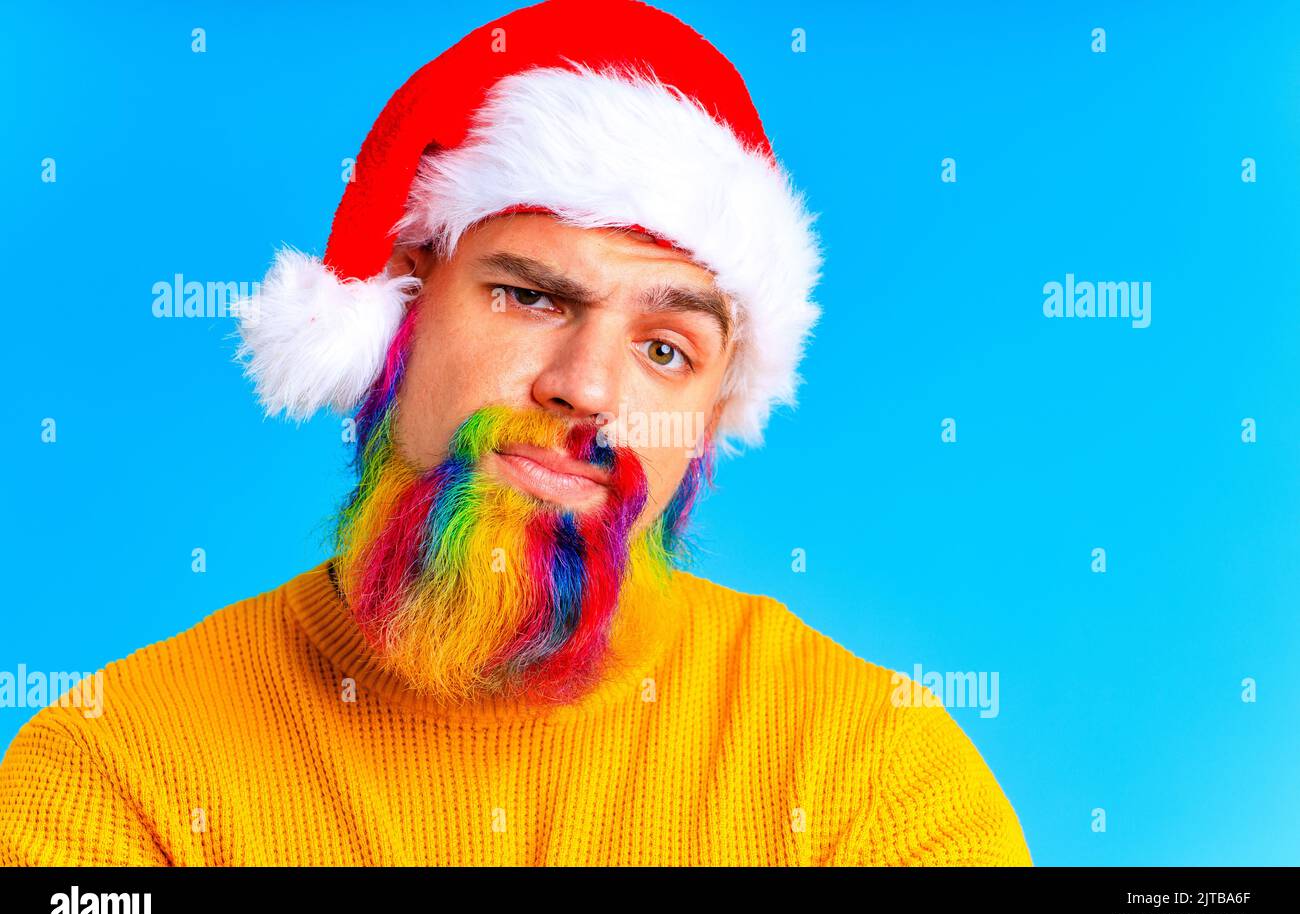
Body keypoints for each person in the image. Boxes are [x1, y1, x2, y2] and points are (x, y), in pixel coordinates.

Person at [0, 0, 1032, 866]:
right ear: (400, 312)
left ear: (711, 421)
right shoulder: (115, 772)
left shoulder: (869, 778)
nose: (585, 387)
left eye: (665, 348)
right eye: (529, 297)